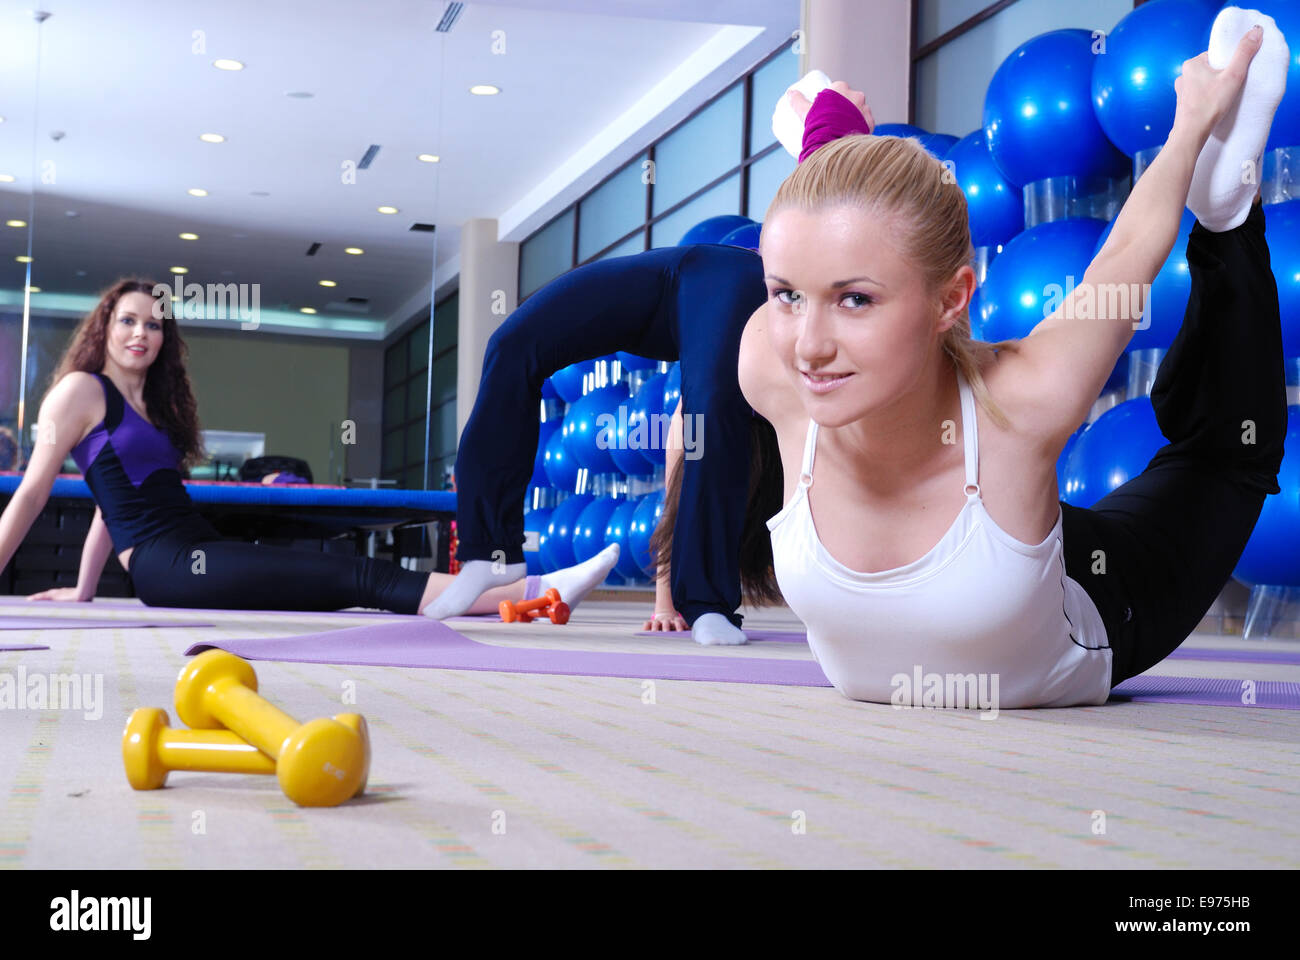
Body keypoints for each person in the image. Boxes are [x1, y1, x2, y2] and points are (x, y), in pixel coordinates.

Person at [741, 22, 1287, 708]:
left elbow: (1124, 262)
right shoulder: (771, 366)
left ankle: (1228, 212)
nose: (810, 346)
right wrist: (831, 143)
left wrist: (1191, 126)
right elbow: (812, 264)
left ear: (953, 300)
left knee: (1228, 454)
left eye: (855, 300)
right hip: (1002, 527)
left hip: (1088, 591)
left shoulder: (1025, 400)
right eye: (786, 295)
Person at [0, 279, 618, 615]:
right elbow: (31, 493)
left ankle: (536, 593)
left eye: (154, 323)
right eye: (127, 320)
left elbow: (114, 507)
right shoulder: (82, 390)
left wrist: (83, 590)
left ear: (166, 338)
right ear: (104, 327)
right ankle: (539, 587)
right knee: (353, 576)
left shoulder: (148, 411)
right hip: (167, 568)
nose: (140, 333)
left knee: (336, 577)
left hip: (193, 550)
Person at [426, 242, 769, 646]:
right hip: (719, 274)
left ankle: (708, 605)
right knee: (510, 344)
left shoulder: (737, 399)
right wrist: (664, 602)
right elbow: (682, 462)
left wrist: (681, 602)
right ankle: (488, 551)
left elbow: (696, 454)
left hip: (712, 307)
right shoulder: (747, 320)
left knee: (709, 411)